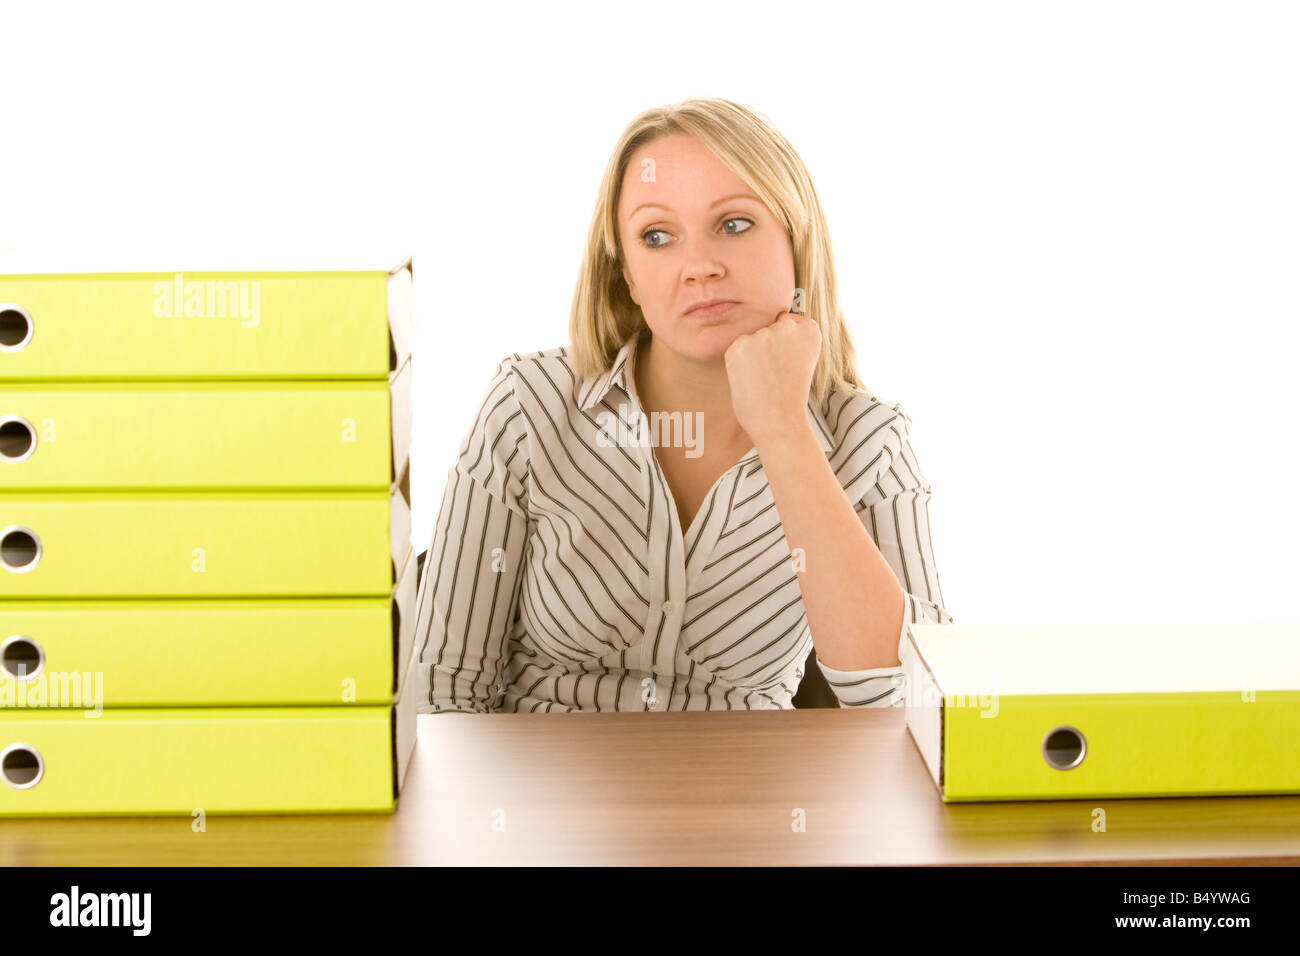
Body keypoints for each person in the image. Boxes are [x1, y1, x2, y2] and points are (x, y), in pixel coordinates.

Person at [413, 96, 952, 713]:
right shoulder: (529, 408)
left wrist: (782, 431)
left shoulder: (869, 443)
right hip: (538, 798)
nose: (699, 267)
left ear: (796, 244)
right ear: (628, 279)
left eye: (733, 224)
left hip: (746, 802)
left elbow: (918, 707)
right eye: (658, 236)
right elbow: (445, 694)